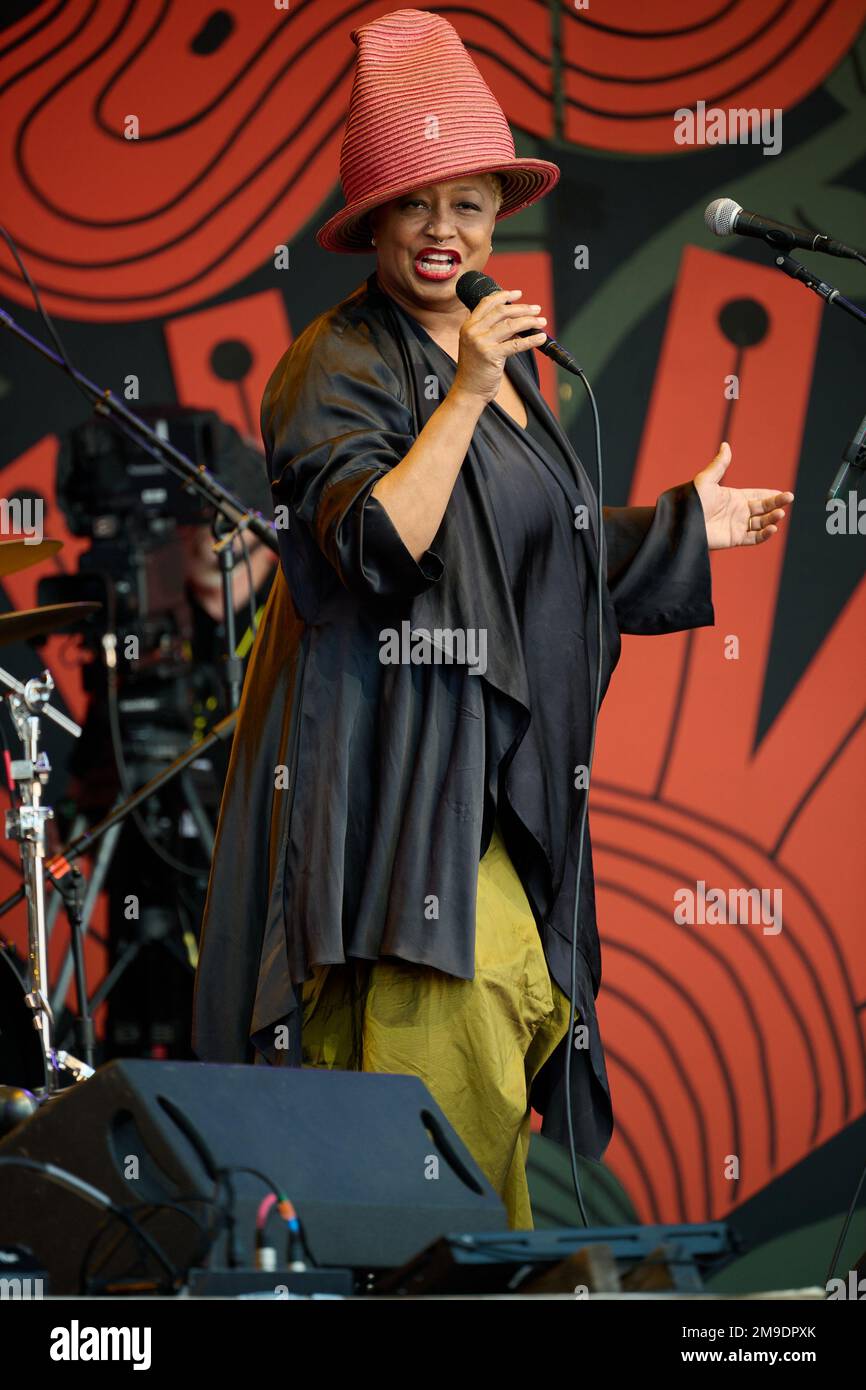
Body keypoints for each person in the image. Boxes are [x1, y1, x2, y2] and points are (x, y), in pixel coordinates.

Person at [192, 8, 793, 1228]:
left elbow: (524, 558)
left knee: (482, 1128)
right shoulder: (337, 360)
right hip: (399, 807)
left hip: (485, 797)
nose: (442, 231)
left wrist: (679, 524)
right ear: (371, 220)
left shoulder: (503, 365)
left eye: (467, 205)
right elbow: (371, 544)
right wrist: (465, 391)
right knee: (426, 1170)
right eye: (415, 204)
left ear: (495, 216)